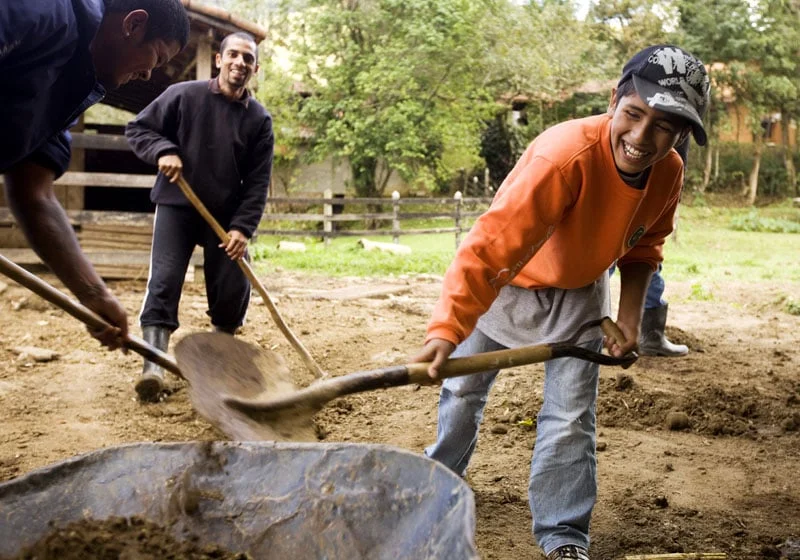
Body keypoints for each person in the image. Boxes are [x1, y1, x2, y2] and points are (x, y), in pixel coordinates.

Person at [411, 45, 709, 560]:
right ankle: (434, 487)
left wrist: (630, 319)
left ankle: (564, 534)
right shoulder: (563, 155)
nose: (641, 138)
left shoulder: (669, 172)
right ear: (615, 99)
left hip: (580, 297)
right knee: (462, 394)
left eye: (663, 127)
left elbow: (644, 246)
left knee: (571, 417)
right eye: (633, 114)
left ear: (682, 133)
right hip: (506, 288)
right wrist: (446, 332)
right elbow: (488, 249)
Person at [1, 0, 190, 349]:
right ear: (133, 25)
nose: (150, 74)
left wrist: (93, 293)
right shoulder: (43, 11)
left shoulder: (71, 91)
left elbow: (35, 196)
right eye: (158, 58)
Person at [126, 32, 274, 402]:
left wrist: (242, 228)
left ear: (255, 68)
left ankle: (220, 364)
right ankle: (154, 366)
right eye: (234, 55)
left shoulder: (259, 120)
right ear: (220, 59)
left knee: (232, 285)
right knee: (163, 281)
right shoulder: (183, 95)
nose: (240, 62)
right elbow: (139, 128)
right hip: (178, 204)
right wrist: (163, 150)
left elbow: (258, 182)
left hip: (224, 216)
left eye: (248, 58)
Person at [637, 138, 690, 357]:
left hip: (651, 187)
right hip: (647, 187)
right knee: (644, 257)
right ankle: (650, 336)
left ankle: (649, 335)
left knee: (643, 258)